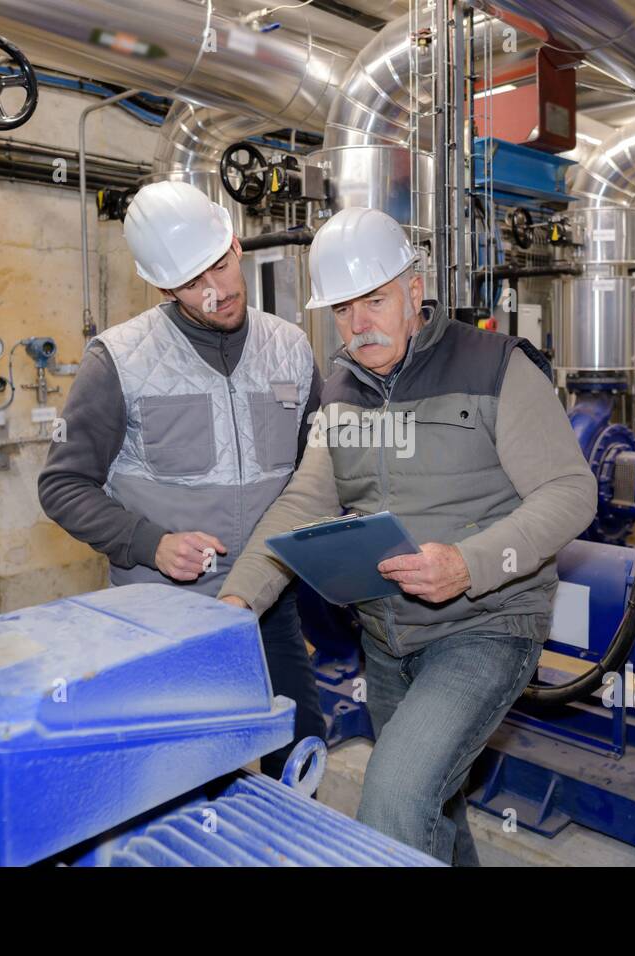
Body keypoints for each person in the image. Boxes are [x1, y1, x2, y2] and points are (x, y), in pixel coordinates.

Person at [217, 206, 598, 863]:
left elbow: (571, 492)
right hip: (387, 639)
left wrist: (469, 563)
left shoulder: (496, 367)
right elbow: (304, 502)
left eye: (374, 300)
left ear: (414, 291)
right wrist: (237, 600)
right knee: (432, 806)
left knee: (394, 799)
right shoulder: (341, 390)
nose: (358, 324)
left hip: (485, 626)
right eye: (342, 309)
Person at [38, 180, 327, 778]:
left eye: (220, 266)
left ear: (236, 245)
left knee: (299, 757)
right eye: (193, 283)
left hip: (267, 603)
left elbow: (316, 475)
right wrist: (151, 543)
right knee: (183, 777)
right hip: (161, 612)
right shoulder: (119, 360)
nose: (216, 291)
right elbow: (63, 486)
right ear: (163, 287)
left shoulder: (292, 349)